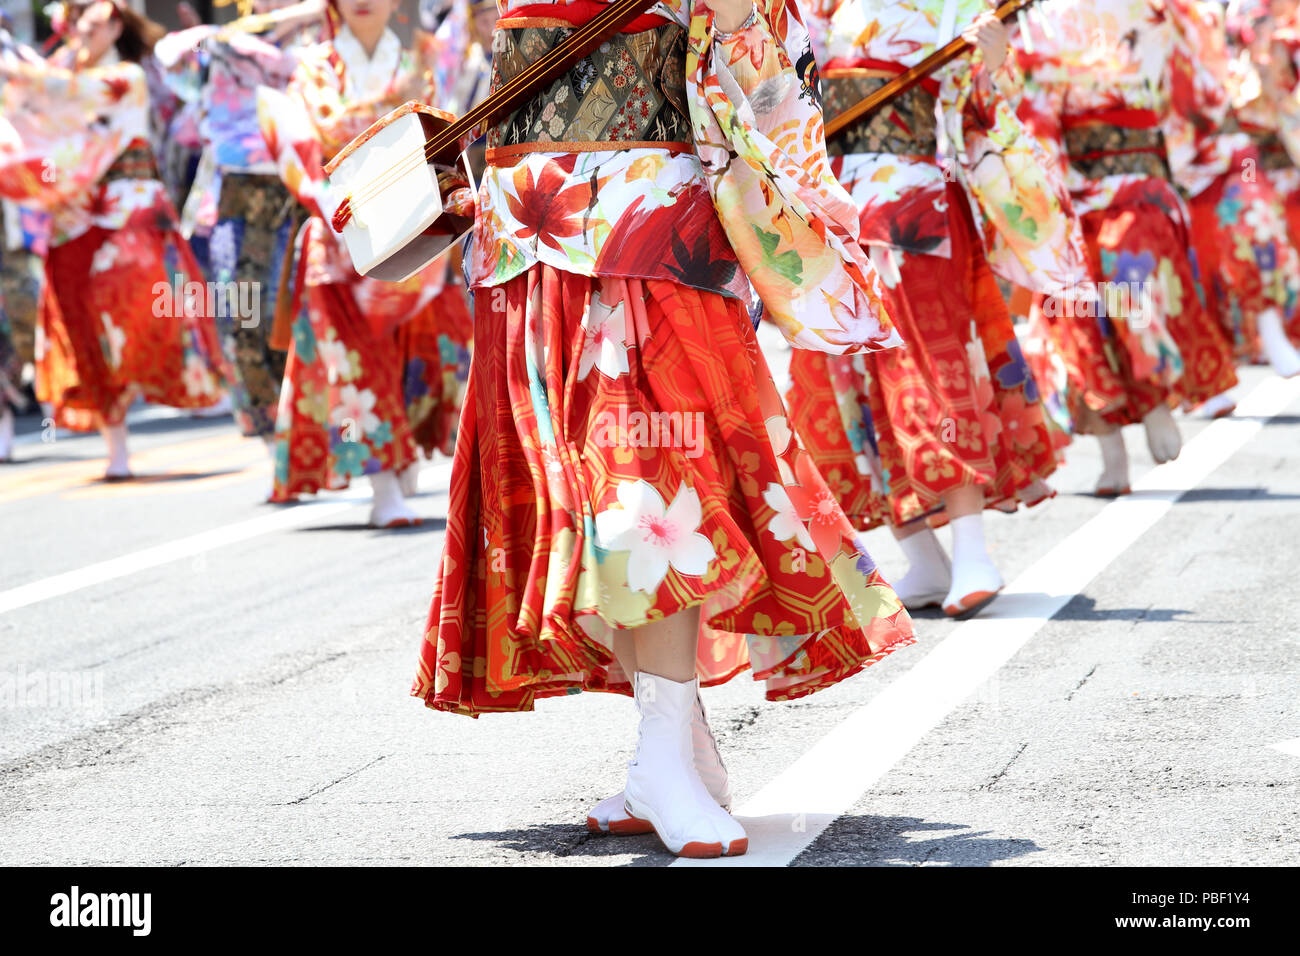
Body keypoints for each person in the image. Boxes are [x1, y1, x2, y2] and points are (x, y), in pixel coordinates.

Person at [409, 0, 917, 858]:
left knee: (652, 489)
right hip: (533, 214)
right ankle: (672, 752)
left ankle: (667, 757)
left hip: (647, 216)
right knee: (603, 500)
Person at [786, 0, 1087, 617]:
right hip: (827, 215)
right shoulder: (809, 10)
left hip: (912, 205)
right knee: (843, 380)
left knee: (931, 370)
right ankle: (922, 555)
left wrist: (994, 58)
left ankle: (973, 548)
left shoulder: (950, 9)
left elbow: (981, 113)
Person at [256, 0, 472, 525]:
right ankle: (383, 487)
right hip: (341, 226)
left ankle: (401, 458)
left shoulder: (425, 56)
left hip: (415, 225)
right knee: (355, 361)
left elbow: (450, 128)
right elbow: (294, 147)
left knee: (413, 355)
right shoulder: (310, 69)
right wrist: (320, 196)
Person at [1016, 0, 1241, 496]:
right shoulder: (1037, 19)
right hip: (1071, 186)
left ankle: (1157, 397)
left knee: (1127, 277)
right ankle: (1111, 450)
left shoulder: (1153, 9)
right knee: (1075, 309)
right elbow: (1032, 111)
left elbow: (1196, 80)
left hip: (1138, 181)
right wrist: (1048, 200)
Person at [0, 0, 228, 478]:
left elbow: (61, 92)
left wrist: (12, 69)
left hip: (127, 211)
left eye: (96, 20)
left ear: (116, 25)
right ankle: (115, 442)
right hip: (72, 213)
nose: (85, 29)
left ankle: (184, 388)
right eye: (78, 20)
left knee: (136, 309)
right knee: (79, 325)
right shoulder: (59, 69)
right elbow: (34, 111)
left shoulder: (126, 76)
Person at [154, 1, 324, 457]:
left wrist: (300, 22)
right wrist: (242, 35)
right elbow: (169, 57)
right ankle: (271, 430)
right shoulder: (220, 46)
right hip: (237, 192)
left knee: (301, 310)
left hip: (303, 191)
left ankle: (308, 426)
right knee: (241, 311)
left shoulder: (318, 50)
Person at [1181, 0, 1300, 379]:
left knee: (1255, 216)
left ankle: (1271, 328)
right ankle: (1217, 359)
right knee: (1203, 258)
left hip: (1243, 154)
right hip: (1185, 154)